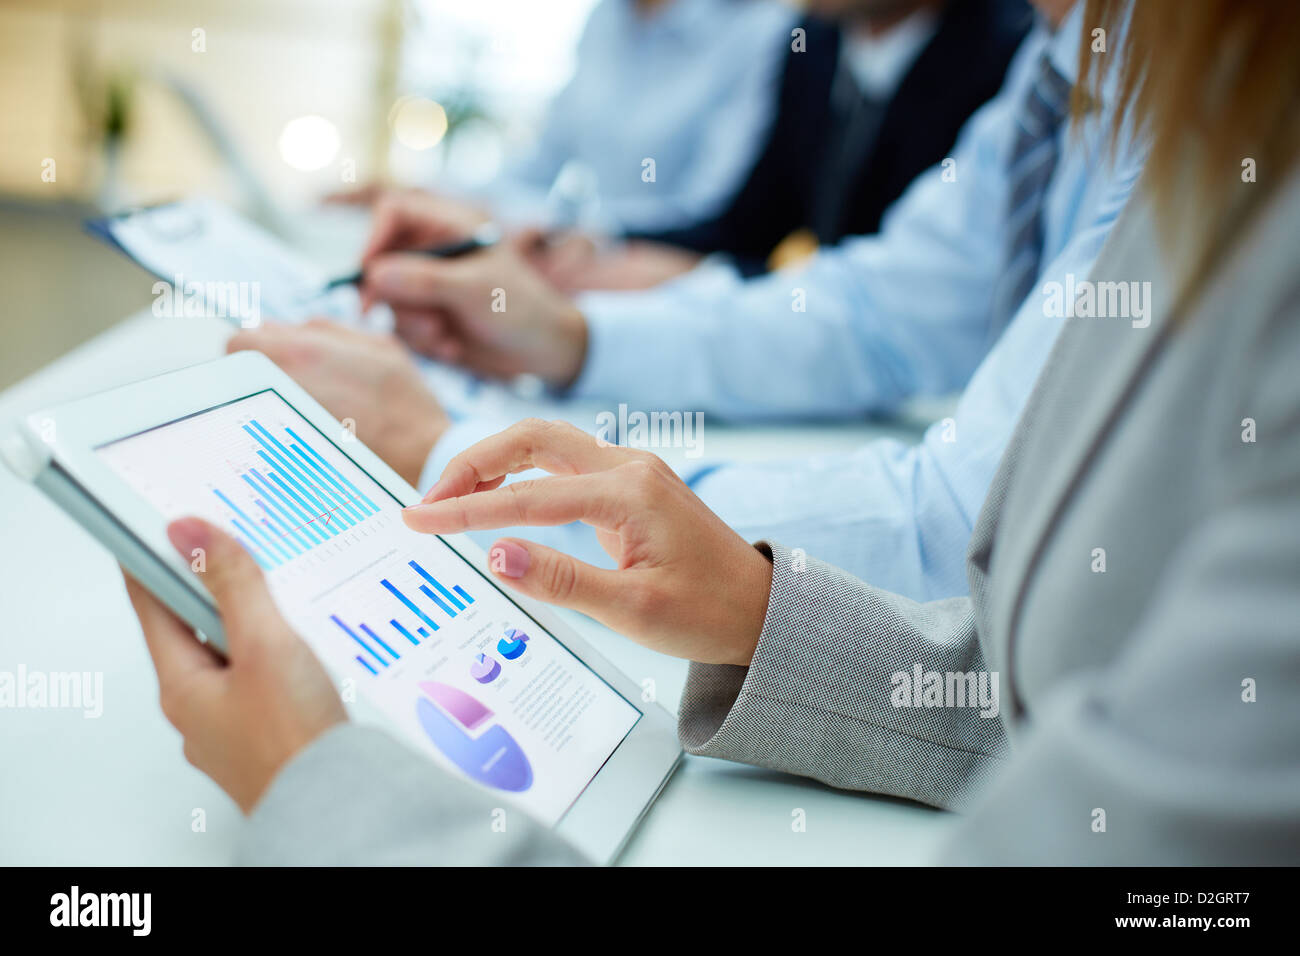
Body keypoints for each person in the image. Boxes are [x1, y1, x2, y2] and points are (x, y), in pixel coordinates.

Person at [127, 0, 1300, 864]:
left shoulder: (1239, 122)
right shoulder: (1097, 59)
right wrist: (769, 620)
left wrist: (324, 795)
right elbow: (884, 308)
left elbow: (967, 526)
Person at [233, 0, 1141, 605]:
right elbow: (878, 314)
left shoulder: (1204, 97)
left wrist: (452, 462)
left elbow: (960, 541)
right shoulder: (1061, 67)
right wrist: (572, 341)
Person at [536, 0, 1034, 290]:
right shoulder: (810, 44)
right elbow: (750, 223)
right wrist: (607, 241)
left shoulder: (1010, 52)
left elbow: (923, 280)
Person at [347, 0, 795, 241]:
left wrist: (564, 228)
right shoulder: (605, 18)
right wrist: (429, 193)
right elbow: (542, 163)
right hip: (574, 264)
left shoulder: (763, 29)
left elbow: (712, 216)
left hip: (670, 280)